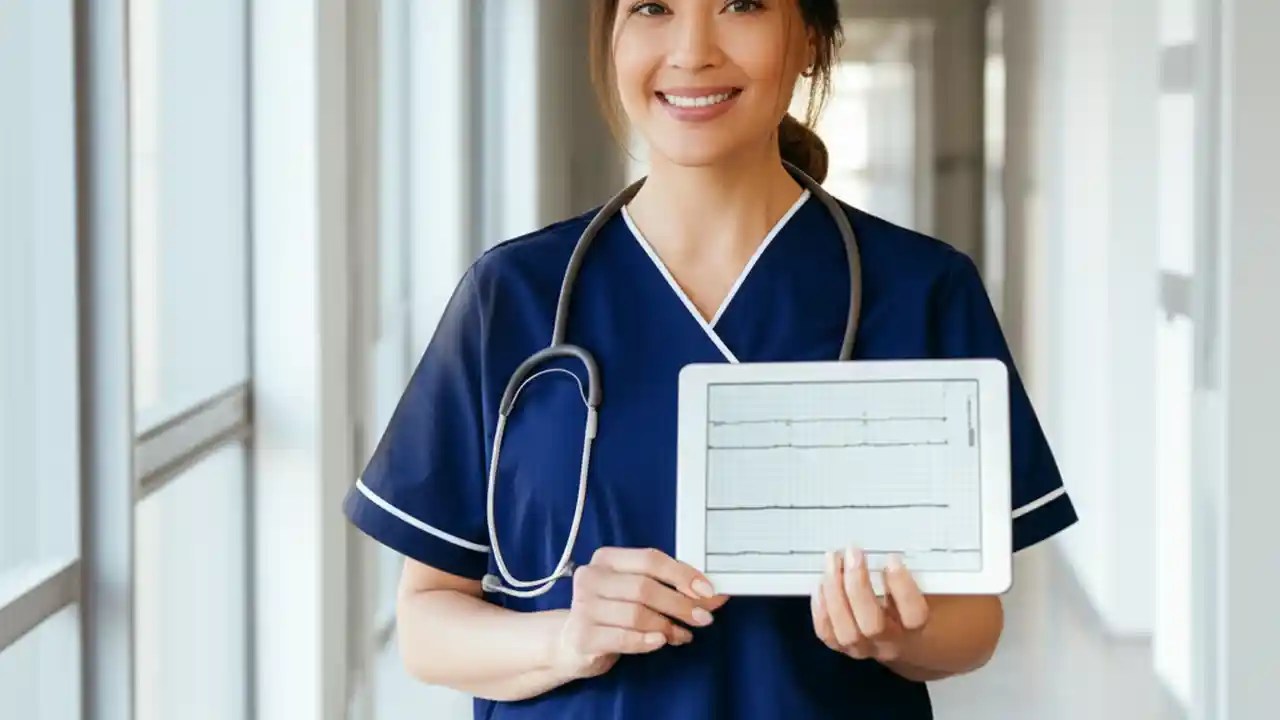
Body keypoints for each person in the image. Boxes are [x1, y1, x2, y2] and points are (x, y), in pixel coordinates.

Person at [342, 0, 1078, 717]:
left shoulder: (921, 291)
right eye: (653, 8)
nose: (692, 50)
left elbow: (973, 624)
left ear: (812, 38)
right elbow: (428, 625)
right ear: (611, 37)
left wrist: (894, 633)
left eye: (742, 4)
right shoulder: (515, 298)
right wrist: (568, 636)